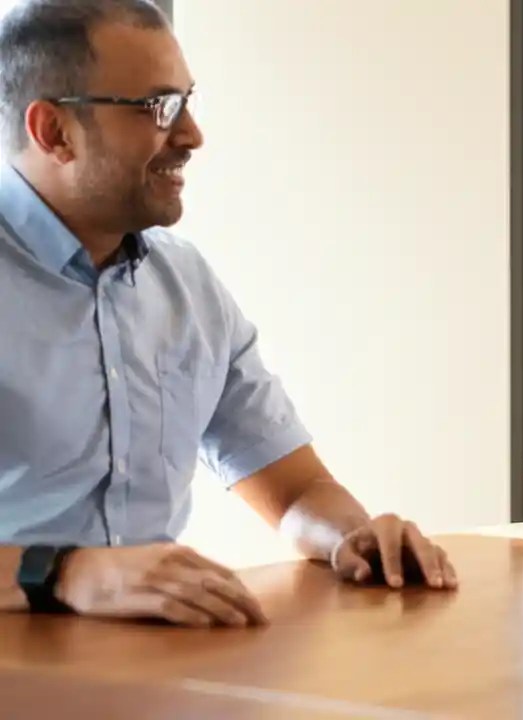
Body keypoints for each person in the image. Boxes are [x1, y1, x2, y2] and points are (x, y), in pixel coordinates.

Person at [0, 0, 456, 628]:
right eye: (158, 108)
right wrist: (66, 571)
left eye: (187, 102)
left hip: (151, 673)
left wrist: (352, 536)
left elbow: (296, 491)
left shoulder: (185, 285)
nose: (190, 135)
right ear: (53, 130)